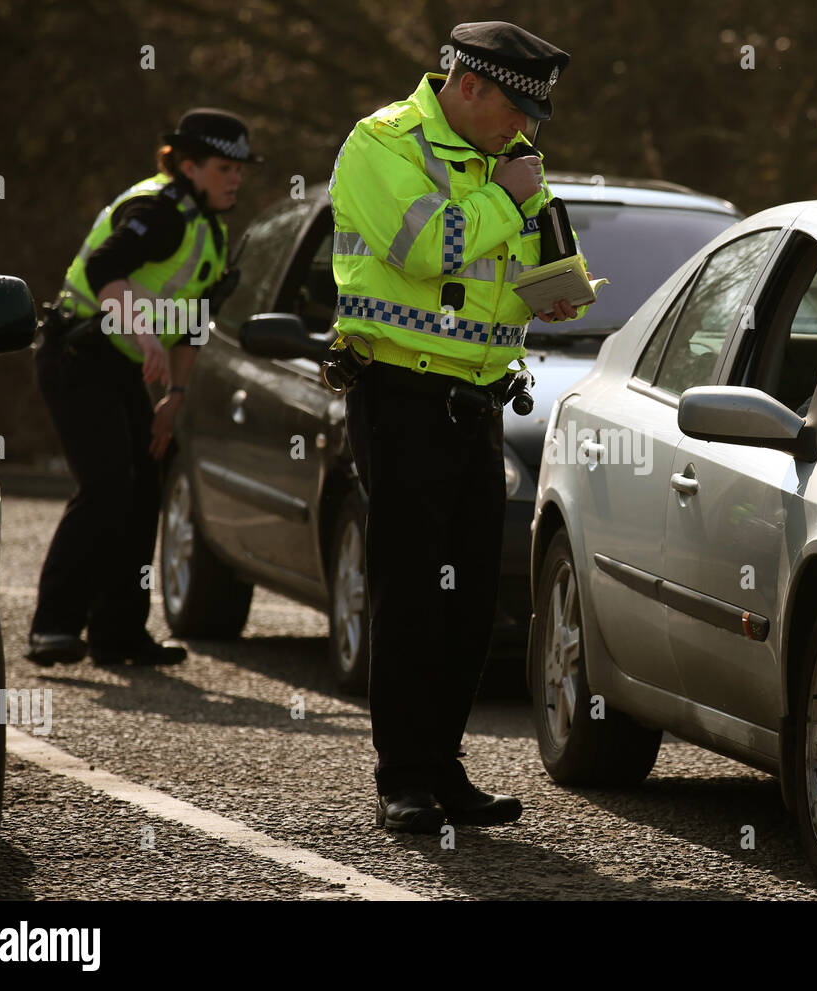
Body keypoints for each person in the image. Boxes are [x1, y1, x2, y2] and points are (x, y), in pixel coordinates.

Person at [330, 20, 588, 832]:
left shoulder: (512, 166)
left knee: (472, 599)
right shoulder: (383, 143)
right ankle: (400, 775)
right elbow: (422, 250)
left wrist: (560, 290)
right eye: (514, 109)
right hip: (401, 398)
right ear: (467, 85)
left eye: (532, 120)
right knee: (410, 593)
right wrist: (504, 195)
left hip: (478, 401)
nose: (523, 132)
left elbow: (533, 267)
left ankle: (444, 767)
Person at [27, 109, 259, 667]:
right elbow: (105, 270)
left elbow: (194, 326)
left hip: (120, 367)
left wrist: (174, 399)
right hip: (78, 356)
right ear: (187, 165)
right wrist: (144, 335)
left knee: (142, 493)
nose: (236, 179)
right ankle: (52, 627)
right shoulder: (159, 211)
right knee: (106, 486)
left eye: (241, 168)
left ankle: (118, 634)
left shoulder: (211, 232)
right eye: (224, 167)